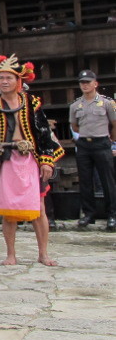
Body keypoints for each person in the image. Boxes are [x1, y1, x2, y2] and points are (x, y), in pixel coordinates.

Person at [0, 55, 64, 265]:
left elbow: (44, 133)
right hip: (6, 160)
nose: (4, 81)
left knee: (39, 208)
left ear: (18, 81)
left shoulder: (32, 103)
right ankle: (11, 254)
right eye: (1, 77)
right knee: (8, 211)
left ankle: (43, 254)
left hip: (30, 160)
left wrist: (46, 160)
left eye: (9, 77)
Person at [70, 70, 116, 230]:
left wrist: (112, 140)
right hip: (84, 144)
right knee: (85, 180)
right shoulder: (75, 105)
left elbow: (114, 123)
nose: (85, 85)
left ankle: (112, 214)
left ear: (95, 84)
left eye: (88, 82)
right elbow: (74, 125)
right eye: (82, 82)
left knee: (107, 180)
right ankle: (89, 214)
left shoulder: (107, 103)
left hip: (102, 142)